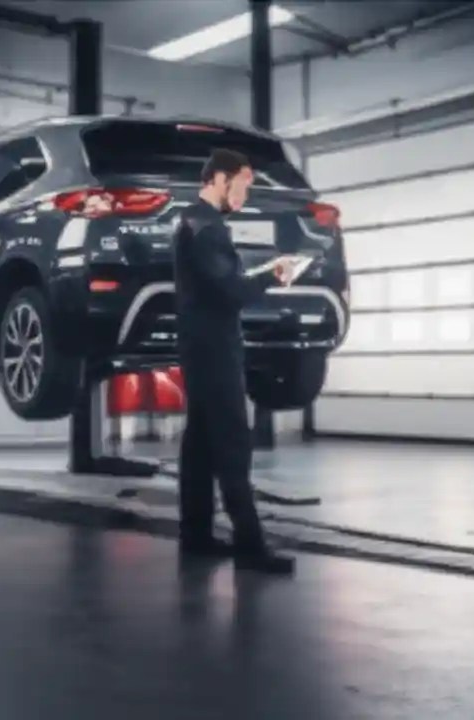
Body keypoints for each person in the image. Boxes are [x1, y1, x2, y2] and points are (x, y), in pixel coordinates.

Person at [172, 148, 297, 575]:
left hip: (199, 346)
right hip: (213, 350)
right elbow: (229, 291)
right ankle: (250, 545)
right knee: (232, 441)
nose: (246, 194)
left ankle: (196, 536)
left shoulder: (197, 222)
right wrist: (271, 275)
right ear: (219, 180)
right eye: (243, 184)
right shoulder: (205, 227)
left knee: (202, 445)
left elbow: (219, 286)